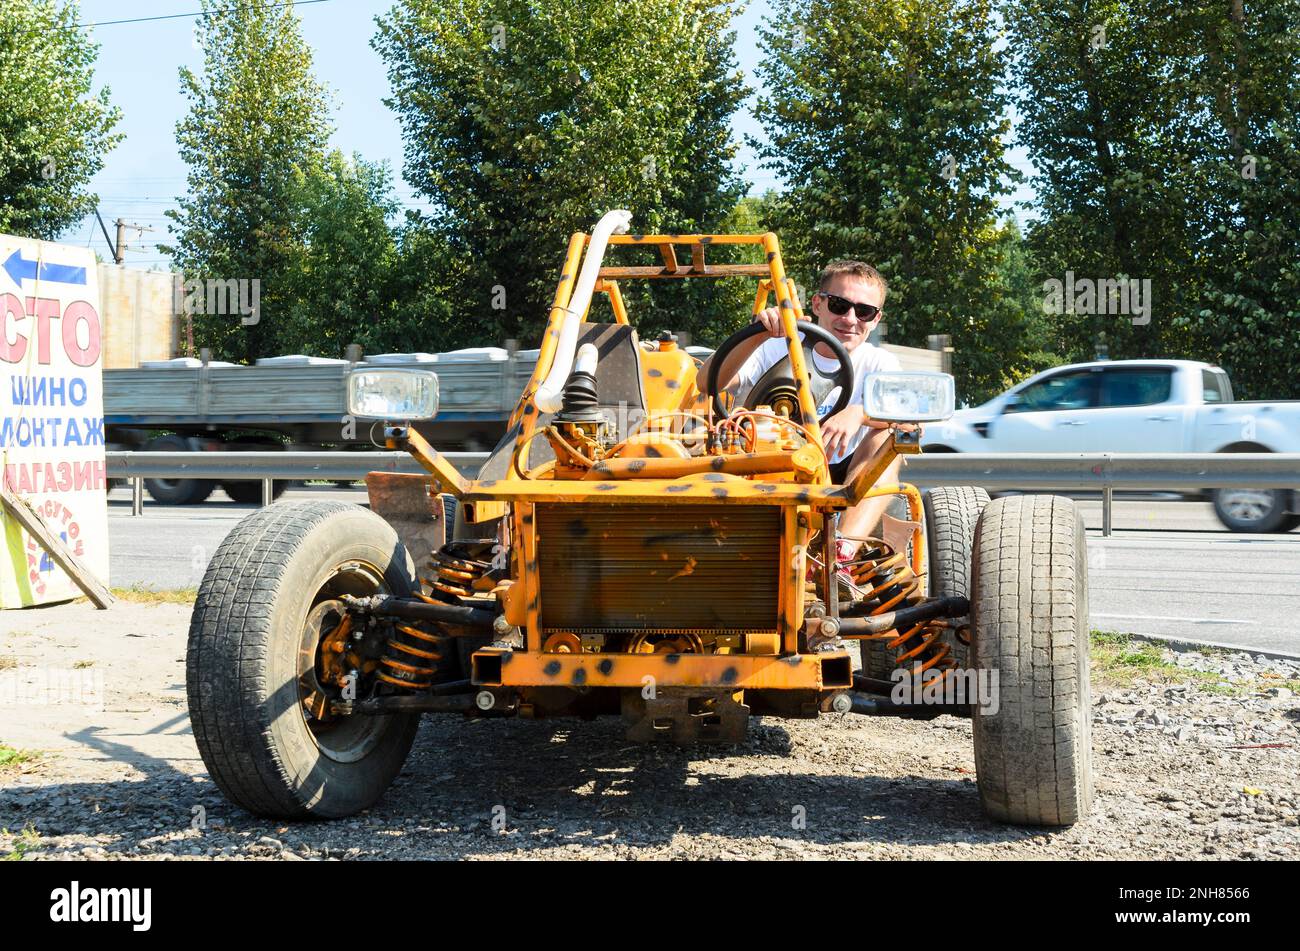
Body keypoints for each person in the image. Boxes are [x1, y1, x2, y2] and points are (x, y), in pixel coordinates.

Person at [696, 259, 910, 567]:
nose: (850, 319)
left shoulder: (879, 363)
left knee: (887, 437)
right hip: (766, 468)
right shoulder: (772, 347)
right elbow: (707, 384)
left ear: (876, 320)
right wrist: (758, 332)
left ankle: (841, 556)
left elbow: (907, 420)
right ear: (818, 303)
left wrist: (858, 414)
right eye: (839, 305)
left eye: (864, 312)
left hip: (844, 479)